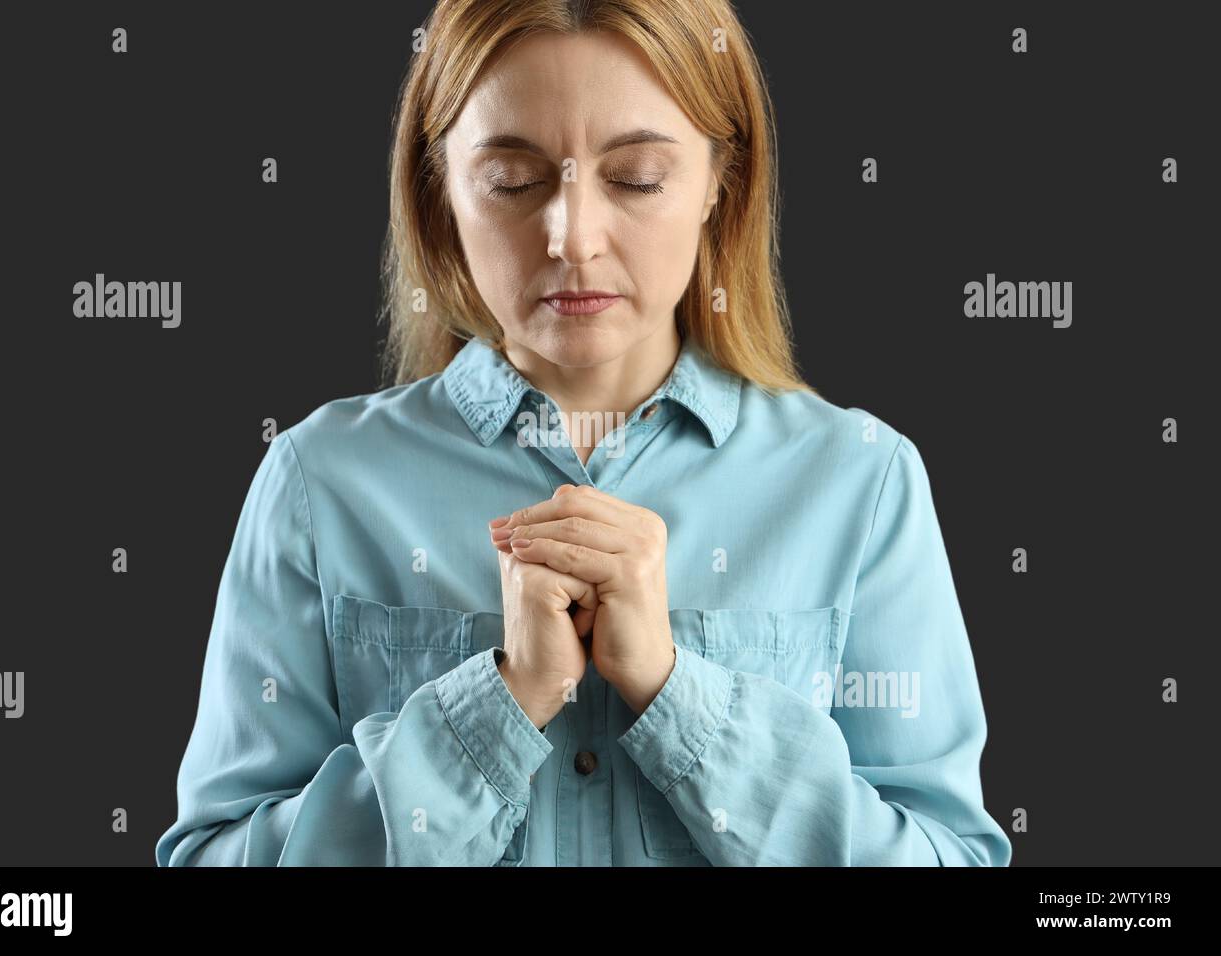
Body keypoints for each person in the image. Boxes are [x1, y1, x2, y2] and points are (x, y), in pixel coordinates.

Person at [155, 0, 1012, 866]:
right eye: (512, 182)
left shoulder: (858, 481)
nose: (572, 238)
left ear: (722, 177)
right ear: (440, 185)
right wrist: (496, 707)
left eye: (637, 176)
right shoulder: (320, 481)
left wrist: (679, 699)